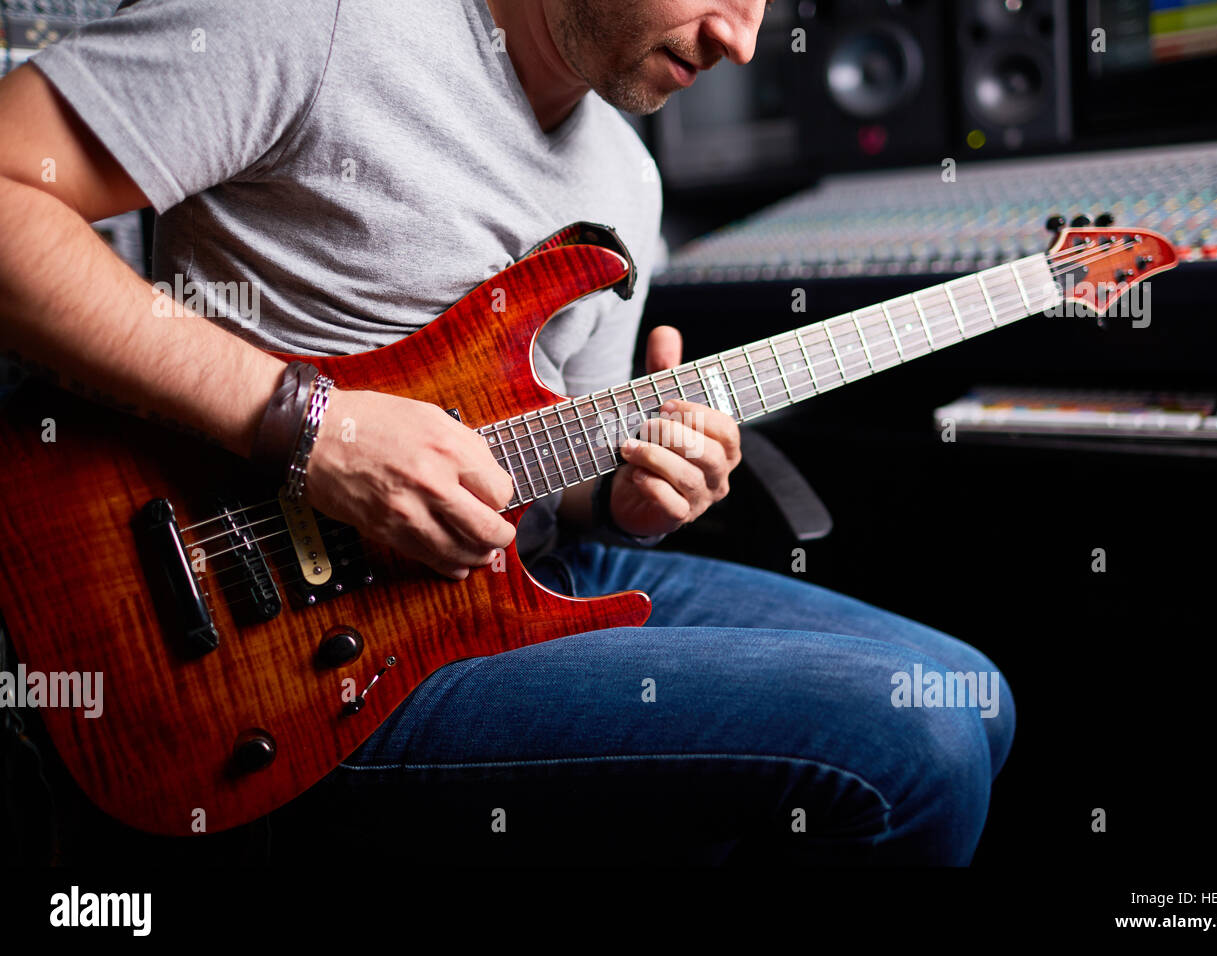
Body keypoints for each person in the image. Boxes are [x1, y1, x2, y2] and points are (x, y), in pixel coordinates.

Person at [0, 0, 1013, 864]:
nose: (743, 41)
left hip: (523, 586)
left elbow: (554, 471)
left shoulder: (626, 181)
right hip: (276, 649)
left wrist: (628, 492)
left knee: (974, 697)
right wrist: (313, 425)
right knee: (916, 735)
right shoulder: (319, 23)